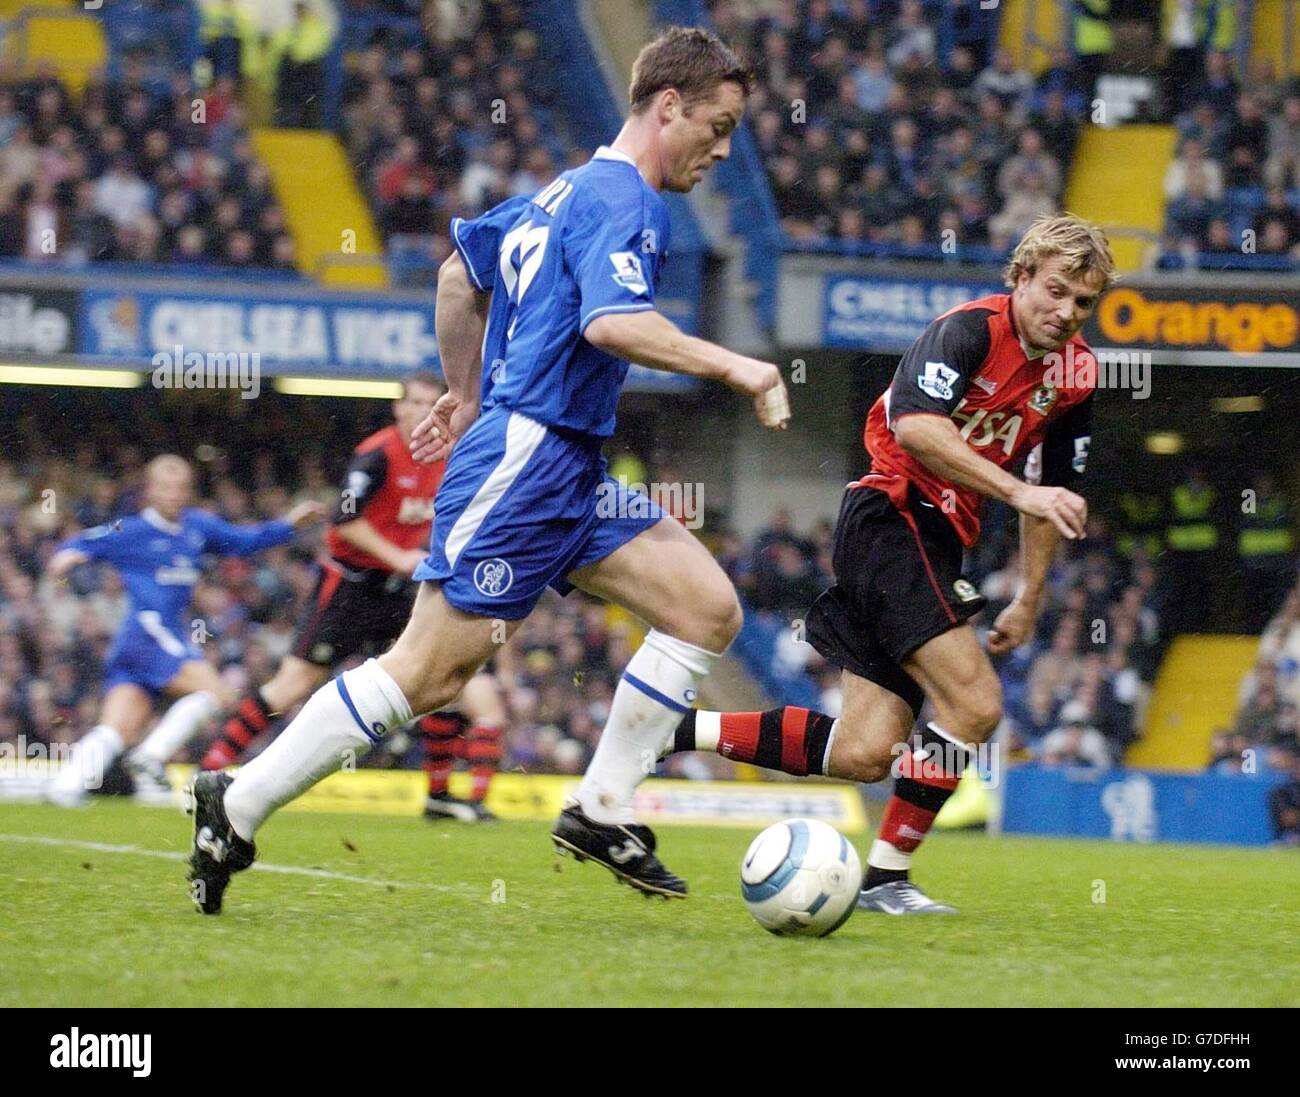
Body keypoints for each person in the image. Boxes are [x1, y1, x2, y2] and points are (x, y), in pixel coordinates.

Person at [184, 26, 790, 914]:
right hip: (530, 457)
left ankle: (599, 806)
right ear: (669, 107)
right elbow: (612, 325)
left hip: (566, 462)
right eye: (720, 124)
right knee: (426, 674)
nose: (723, 148)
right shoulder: (628, 201)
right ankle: (234, 802)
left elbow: (455, 278)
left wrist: (465, 392)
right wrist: (737, 365)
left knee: (707, 607)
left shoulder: (557, 192)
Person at [667, 214, 1114, 914]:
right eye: (1055, 291)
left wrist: (1029, 593)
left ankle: (673, 728)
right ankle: (885, 880)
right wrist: (1019, 487)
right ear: (1021, 276)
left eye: (1083, 302)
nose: (1066, 312)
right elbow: (915, 425)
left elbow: (1051, 494)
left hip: (936, 538)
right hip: (892, 517)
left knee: (865, 750)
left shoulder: (1078, 373)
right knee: (976, 704)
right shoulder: (967, 331)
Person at [188, 374, 508, 822]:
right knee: (292, 686)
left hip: (402, 591)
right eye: (413, 401)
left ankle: (440, 794)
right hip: (351, 587)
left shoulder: (450, 455)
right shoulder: (376, 455)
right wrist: (398, 555)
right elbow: (343, 521)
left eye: (429, 403)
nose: (421, 410)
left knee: (446, 684)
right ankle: (210, 771)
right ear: (398, 408)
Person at [42, 455, 322, 807]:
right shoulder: (130, 530)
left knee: (119, 728)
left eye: (181, 487)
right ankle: (150, 758)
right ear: (149, 490)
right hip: (148, 633)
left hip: (144, 642)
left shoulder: (198, 527)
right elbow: (83, 542)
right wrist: (66, 556)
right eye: (165, 486)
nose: (174, 494)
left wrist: (289, 524)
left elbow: (244, 541)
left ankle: (64, 788)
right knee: (220, 694)